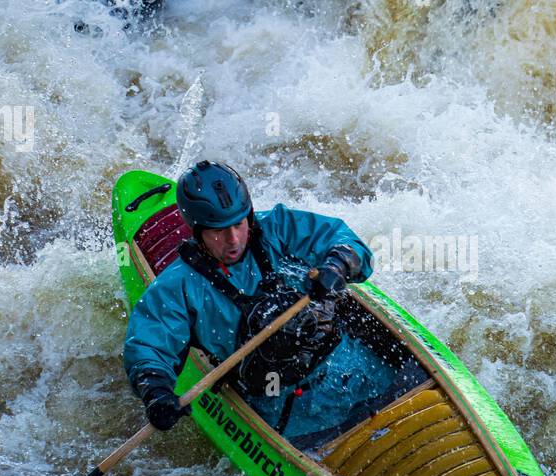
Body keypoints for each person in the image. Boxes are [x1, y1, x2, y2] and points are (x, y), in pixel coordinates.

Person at [123, 160, 400, 444]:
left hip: (349, 365)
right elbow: (148, 346)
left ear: (250, 216)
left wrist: (338, 265)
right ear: (197, 231)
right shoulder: (177, 286)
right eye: (219, 231)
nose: (233, 240)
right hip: (281, 409)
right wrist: (156, 392)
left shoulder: (277, 228)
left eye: (239, 224)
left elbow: (343, 240)